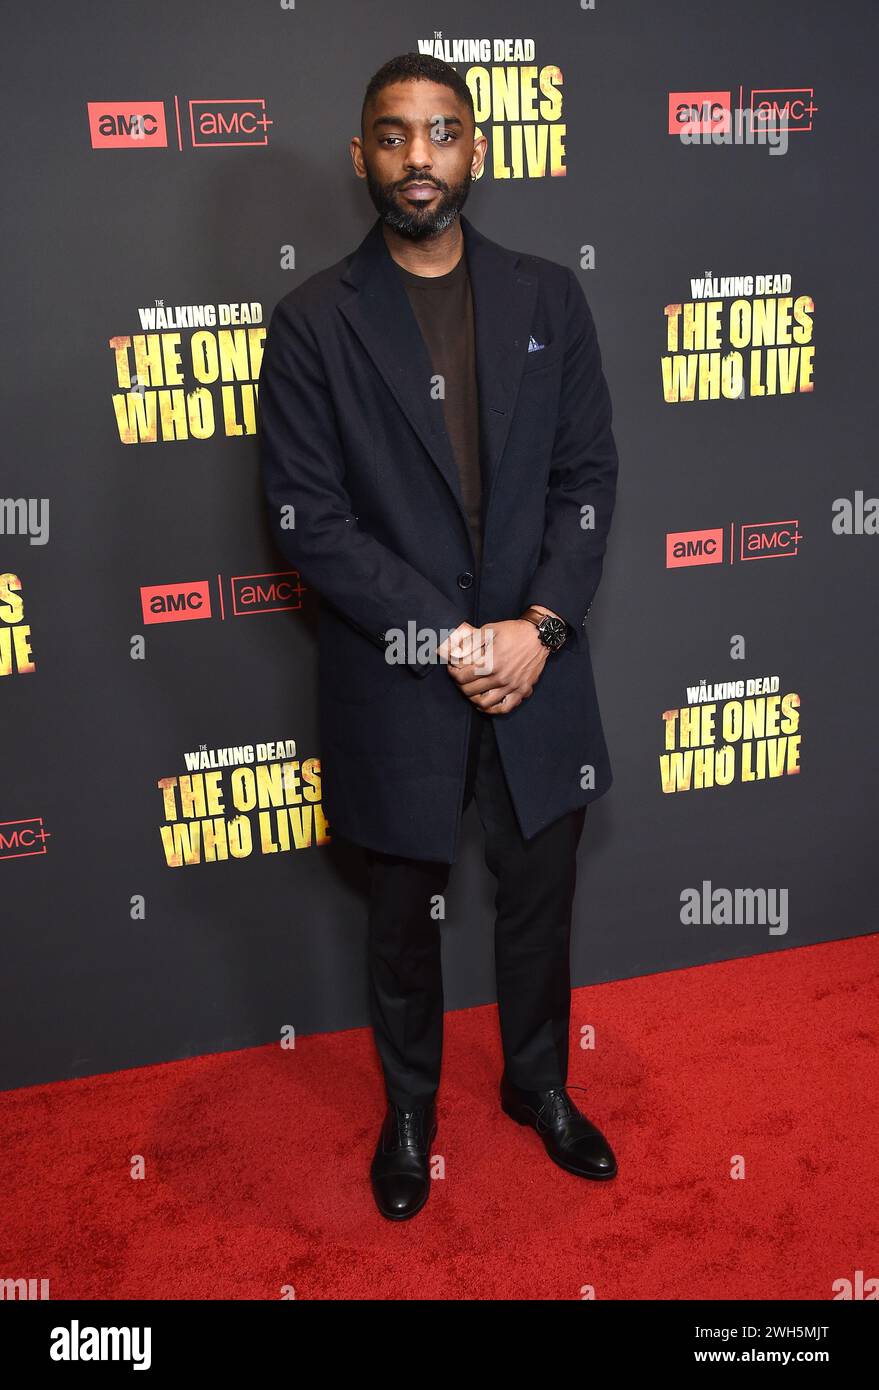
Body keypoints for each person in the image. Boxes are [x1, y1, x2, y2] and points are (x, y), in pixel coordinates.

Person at [259, 53, 620, 1221]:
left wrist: (541, 628)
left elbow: (587, 477)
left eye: (444, 131)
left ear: (478, 147)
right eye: (395, 134)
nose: (421, 156)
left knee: (539, 904)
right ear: (362, 153)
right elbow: (308, 519)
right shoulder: (314, 320)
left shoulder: (548, 298)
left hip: (538, 670)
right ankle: (408, 1113)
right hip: (400, 680)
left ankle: (539, 1087)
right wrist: (454, 639)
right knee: (404, 923)